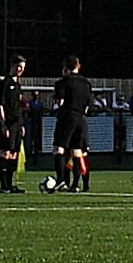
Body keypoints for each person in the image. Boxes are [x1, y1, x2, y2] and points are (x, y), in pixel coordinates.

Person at [54, 56, 95, 193]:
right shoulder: (86, 83)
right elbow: (88, 106)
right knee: (77, 151)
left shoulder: (62, 82)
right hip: (81, 118)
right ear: (78, 66)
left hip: (67, 117)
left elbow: (60, 102)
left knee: (59, 148)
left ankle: (61, 181)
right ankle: (75, 185)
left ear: (65, 67)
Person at [0, 57, 32, 196]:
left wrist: (21, 124)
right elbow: (0, 105)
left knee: (14, 154)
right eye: (19, 66)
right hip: (8, 123)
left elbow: (18, 107)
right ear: (13, 65)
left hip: (17, 124)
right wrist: (3, 124)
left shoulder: (17, 85)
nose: (21, 70)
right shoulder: (5, 83)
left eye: (23, 67)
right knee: (5, 152)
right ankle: (3, 185)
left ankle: (10, 184)